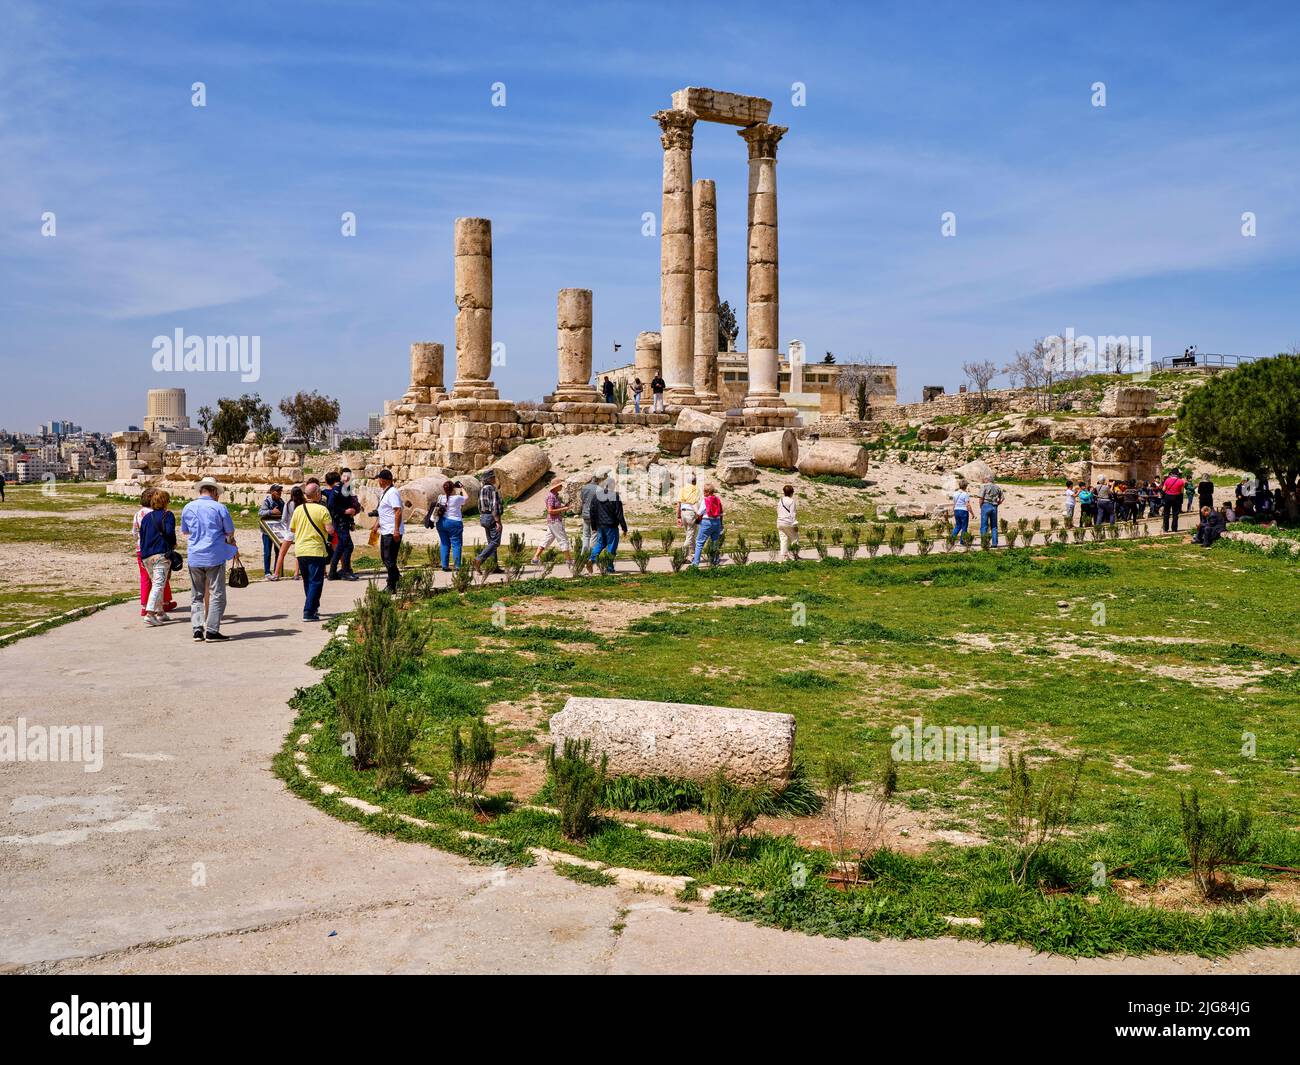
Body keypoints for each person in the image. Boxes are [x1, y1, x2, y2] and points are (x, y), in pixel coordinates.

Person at [180, 477, 237, 642]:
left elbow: (185, 531)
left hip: (195, 556)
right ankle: (212, 630)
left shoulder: (188, 507)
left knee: (196, 595)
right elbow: (229, 531)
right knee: (217, 594)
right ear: (212, 491)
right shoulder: (219, 508)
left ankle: (197, 629)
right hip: (214, 555)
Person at [291, 482, 335, 621]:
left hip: (301, 550)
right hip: (315, 549)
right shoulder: (323, 510)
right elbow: (329, 530)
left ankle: (313, 607)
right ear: (317, 494)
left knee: (308, 581)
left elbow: (293, 529)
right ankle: (308, 612)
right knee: (316, 581)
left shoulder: (298, 509)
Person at [134, 487, 177, 616]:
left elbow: (138, 534)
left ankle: (160, 612)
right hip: (160, 552)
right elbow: (169, 532)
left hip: (145, 553)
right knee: (158, 583)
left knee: (155, 581)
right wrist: (173, 544)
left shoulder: (145, 517)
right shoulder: (167, 514)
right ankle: (150, 612)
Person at [588, 476, 626, 573]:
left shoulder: (596, 496)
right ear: (612, 485)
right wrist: (624, 527)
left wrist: (594, 527)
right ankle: (609, 568)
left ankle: (591, 559)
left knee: (600, 543)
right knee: (611, 546)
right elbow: (619, 513)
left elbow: (592, 512)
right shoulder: (614, 496)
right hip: (611, 526)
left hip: (600, 526)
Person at [324, 471, 358, 581]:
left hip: (343, 522)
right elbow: (331, 505)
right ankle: (345, 571)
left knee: (340, 548)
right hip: (340, 522)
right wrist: (345, 511)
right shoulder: (338, 489)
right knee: (348, 546)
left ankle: (333, 572)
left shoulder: (342, 489)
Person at [532, 478, 573, 566]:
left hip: (553, 521)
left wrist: (563, 507)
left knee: (547, 539)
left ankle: (535, 558)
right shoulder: (551, 496)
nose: (561, 487)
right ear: (556, 486)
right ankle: (569, 560)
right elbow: (550, 511)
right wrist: (564, 509)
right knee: (563, 539)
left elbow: (555, 508)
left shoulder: (555, 496)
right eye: (560, 485)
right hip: (555, 521)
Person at [375, 469, 404, 592]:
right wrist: (377, 524)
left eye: (379, 479)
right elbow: (384, 511)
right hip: (386, 530)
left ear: (384, 480)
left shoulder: (392, 492)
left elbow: (397, 510)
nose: (378, 481)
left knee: (389, 558)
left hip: (392, 531)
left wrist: (396, 530)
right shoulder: (385, 492)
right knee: (385, 557)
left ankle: (391, 585)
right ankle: (397, 578)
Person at [428, 479, 466, 570]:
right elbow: (466, 497)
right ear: (453, 489)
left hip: (441, 523)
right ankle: (457, 566)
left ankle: (445, 565)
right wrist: (462, 488)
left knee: (444, 543)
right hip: (454, 523)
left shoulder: (440, 497)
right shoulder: (457, 498)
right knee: (456, 544)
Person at [270, 486, 304, 580]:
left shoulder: (288, 504)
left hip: (290, 530)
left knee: (282, 553)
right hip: (300, 531)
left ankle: (276, 574)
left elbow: (284, 519)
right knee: (298, 553)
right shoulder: (303, 504)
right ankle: (296, 573)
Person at [474, 469, 504, 574]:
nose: (495, 479)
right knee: (495, 542)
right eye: (493, 477)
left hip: (484, 516)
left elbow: (479, 504)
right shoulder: (492, 489)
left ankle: (493, 566)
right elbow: (494, 506)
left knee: (491, 542)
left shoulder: (482, 489)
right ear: (490, 479)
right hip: (491, 517)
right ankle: (479, 559)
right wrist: (498, 521)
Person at [692, 484, 724, 566]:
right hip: (716, 522)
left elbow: (700, 512)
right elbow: (721, 512)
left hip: (707, 521)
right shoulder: (717, 500)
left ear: (707, 492)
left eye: (704, 491)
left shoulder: (705, 500)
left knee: (699, 543)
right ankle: (715, 560)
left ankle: (695, 563)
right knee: (715, 542)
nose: (703, 493)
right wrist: (721, 524)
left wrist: (696, 513)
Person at [258, 484, 284, 576]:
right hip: (267, 531)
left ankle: (277, 571)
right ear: (272, 492)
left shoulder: (281, 502)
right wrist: (271, 512)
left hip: (278, 531)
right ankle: (267, 572)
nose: (279, 494)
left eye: (280, 492)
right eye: (277, 492)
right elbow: (260, 512)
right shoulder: (267, 502)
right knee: (267, 552)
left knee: (279, 551)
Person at [677, 470, 702, 558]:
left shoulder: (682, 489)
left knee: (689, 535)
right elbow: (695, 503)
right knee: (690, 536)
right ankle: (682, 554)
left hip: (683, 512)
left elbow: (679, 504)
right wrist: (698, 514)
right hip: (691, 513)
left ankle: (693, 554)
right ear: (695, 481)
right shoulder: (696, 489)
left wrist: (678, 516)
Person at [578, 473, 602, 559]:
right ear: (598, 480)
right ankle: (592, 554)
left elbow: (582, 499)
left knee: (586, 535)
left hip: (585, 514)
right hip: (595, 515)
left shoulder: (584, 488)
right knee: (594, 534)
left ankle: (584, 554)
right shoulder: (599, 489)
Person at [978, 473, 1004, 546]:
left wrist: (980, 506)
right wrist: (998, 503)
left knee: (984, 525)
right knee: (994, 526)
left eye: (984, 479)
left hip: (985, 505)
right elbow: (1002, 498)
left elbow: (981, 498)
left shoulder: (984, 486)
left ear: (987, 479)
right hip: (994, 506)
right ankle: (994, 543)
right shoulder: (997, 487)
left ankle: (984, 542)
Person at [777, 483, 798, 561]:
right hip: (788, 522)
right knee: (794, 538)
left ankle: (784, 556)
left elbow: (777, 511)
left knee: (783, 539)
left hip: (779, 522)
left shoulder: (780, 500)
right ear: (792, 493)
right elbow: (793, 514)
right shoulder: (791, 501)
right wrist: (795, 525)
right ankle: (794, 554)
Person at [1161, 467, 1186, 532]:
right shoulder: (1181, 481)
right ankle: (1174, 528)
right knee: (1175, 513)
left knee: (1166, 513)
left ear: (1171, 473)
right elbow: (1182, 492)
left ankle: (1165, 528)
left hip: (1168, 497)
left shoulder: (1167, 480)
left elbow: (1163, 489)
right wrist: (1181, 500)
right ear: (1178, 473)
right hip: (1177, 498)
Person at [951, 478, 972, 543]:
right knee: (964, 527)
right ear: (965, 486)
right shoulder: (965, 494)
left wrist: (953, 511)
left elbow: (954, 503)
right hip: (963, 511)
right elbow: (967, 505)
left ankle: (951, 539)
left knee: (957, 525)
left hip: (956, 510)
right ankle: (962, 541)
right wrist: (972, 513)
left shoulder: (955, 493)